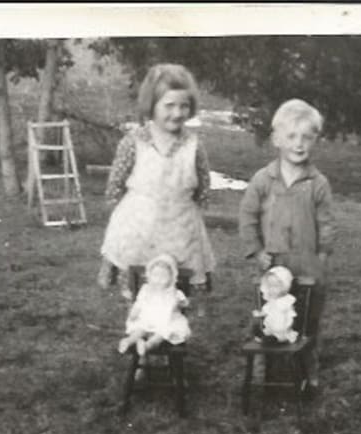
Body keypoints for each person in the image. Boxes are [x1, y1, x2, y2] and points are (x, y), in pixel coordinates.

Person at [239, 98, 336, 398]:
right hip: (274, 265)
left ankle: (309, 370)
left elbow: (327, 224)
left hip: (307, 265)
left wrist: (320, 259)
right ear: (277, 139)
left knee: (307, 319)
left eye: (307, 137)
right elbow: (247, 216)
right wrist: (256, 252)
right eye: (292, 136)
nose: (299, 144)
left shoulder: (317, 183)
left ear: (315, 141)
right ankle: (264, 369)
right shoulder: (263, 180)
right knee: (269, 316)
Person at [97, 63, 215, 302]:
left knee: (176, 292)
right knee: (140, 291)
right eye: (169, 105)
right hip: (139, 230)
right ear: (152, 105)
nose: (177, 113)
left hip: (180, 231)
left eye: (184, 106)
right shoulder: (133, 142)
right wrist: (127, 218)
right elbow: (115, 186)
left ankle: (172, 332)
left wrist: (185, 209)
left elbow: (202, 187)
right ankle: (139, 330)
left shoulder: (193, 145)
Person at [118, 254, 191, 358]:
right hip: (147, 318)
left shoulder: (174, 292)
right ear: (149, 276)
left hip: (167, 321)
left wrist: (180, 303)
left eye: (163, 276)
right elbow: (139, 302)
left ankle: (148, 345)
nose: (158, 280)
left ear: (171, 278)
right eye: (155, 276)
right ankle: (129, 341)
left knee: (162, 333)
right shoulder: (146, 290)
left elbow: (185, 303)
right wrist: (134, 311)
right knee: (140, 329)